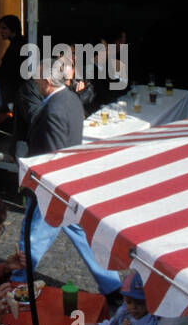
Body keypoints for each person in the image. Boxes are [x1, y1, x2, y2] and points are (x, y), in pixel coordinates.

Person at [15, 63, 122, 297]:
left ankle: (19, 281)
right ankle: (112, 285)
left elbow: (54, 153)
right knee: (82, 234)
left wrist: (43, 187)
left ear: (47, 81)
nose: (34, 82)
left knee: (32, 235)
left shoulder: (53, 109)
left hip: (52, 188)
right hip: (69, 185)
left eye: (37, 79)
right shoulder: (72, 99)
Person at [0, 14, 25, 106]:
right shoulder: (17, 43)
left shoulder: (16, 46)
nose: (1, 31)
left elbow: (8, 70)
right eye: (0, 28)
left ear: (13, 29)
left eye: (4, 28)